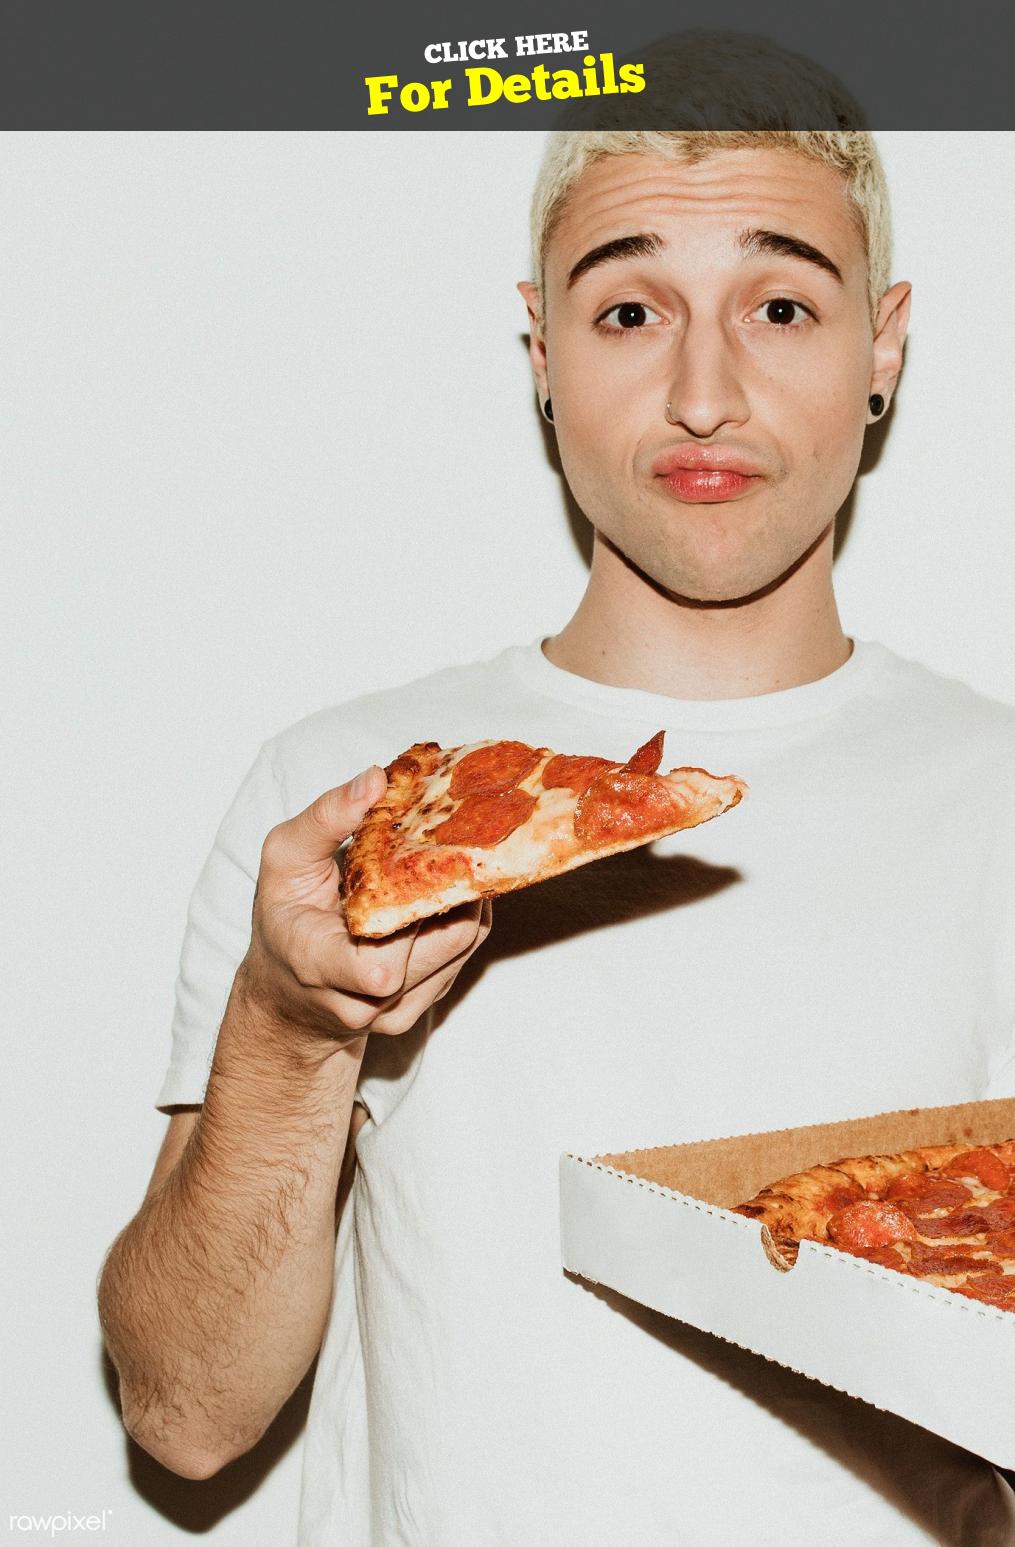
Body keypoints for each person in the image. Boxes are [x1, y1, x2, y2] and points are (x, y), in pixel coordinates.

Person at [97, 127, 1015, 1545]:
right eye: (630, 311)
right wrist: (292, 1030)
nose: (705, 394)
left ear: (883, 345)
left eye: (781, 307)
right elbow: (185, 1414)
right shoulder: (348, 805)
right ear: (540, 347)